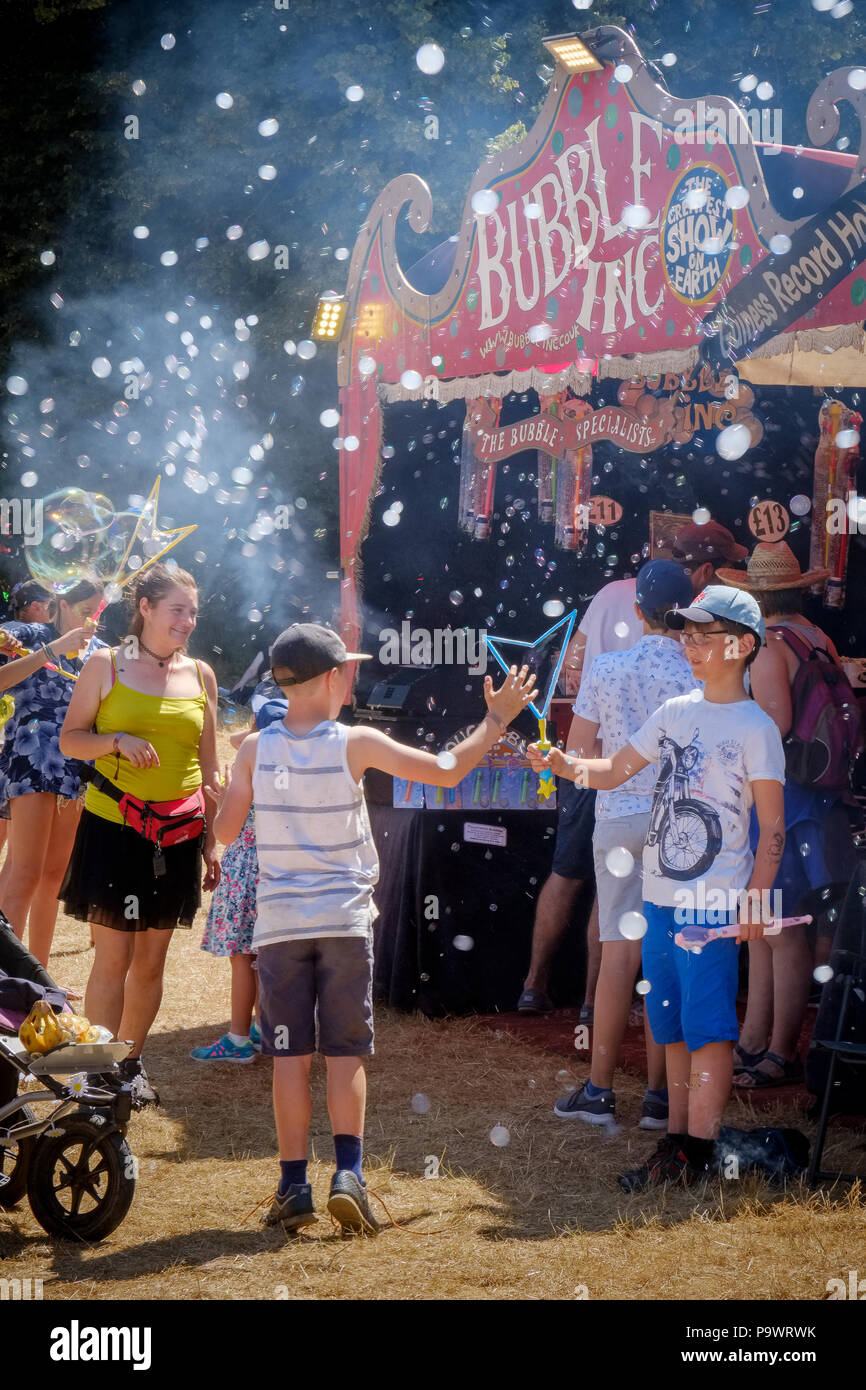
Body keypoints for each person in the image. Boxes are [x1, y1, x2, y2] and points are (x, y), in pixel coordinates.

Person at [212, 623, 537, 1236]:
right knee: (345, 1054)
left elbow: (226, 832)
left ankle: (292, 1185)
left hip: (280, 926)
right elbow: (445, 771)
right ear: (333, 679)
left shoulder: (255, 749)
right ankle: (349, 1176)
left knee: (289, 1057)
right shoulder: (354, 741)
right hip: (343, 923)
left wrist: (218, 797)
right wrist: (495, 721)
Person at [530, 586, 785, 1189]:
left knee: (708, 1030)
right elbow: (614, 769)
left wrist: (755, 898)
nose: (691, 647)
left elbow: (772, 825)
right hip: (659, 896)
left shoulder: (756, 727)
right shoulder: (674, 711)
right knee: (667, 1025)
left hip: (713, 903)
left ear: (744, 646)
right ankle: (675, 1145)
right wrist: (566, 765)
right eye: (687, 636)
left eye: (705, 637)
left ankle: (697, 1151)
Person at [517, 518, 748, 1017]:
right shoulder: (702, 666)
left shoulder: (609, 617)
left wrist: (560, 759)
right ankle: (644, 1042)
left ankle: (571, 1008)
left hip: (607, 786)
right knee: (667, 932)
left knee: (591, 894)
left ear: (640, 607)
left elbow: (577, 687)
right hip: (678, 812)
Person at [58, 563, 221, 1105]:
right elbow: (71, 741)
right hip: (113, 826)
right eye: (178, 609)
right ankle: (93, 1070)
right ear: (145, 608)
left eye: (193, 612)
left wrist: (212, 841)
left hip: (177, 836)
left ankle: (129, 1065)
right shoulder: (105, 665)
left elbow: (208, 767)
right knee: (112, 960)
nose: (188, 621)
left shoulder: (201, 675)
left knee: (152, 962)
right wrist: (116, 740)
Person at [553, 561, 697, 1131]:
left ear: (636, 610)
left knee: (619, 954)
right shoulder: (698, 673)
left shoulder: (608, 668)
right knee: (670, 951)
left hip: (617, 817)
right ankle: (660, 1097)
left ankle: (600, 1089)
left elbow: (577, 752)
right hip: (680, 825)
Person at [717, 542, 852, 1089]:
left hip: (782, 801)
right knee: (775, 926)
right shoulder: (817, 637)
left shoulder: (771, 646)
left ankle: (777, 1051)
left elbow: (771, 730)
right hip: (809, 800)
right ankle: (757, 1041)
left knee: (780, 928)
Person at [0, 577, 105, 965]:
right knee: (24, 873)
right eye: (84, 609)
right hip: (30, 758)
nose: (92, 619)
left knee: (52, 876)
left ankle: (39, 980)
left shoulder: (101, 652)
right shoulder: (22, 634)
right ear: (61, 602)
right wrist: (52, 649)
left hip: (76, 764)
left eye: (98, 611)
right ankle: (8, 983)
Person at [190, 699, 289, 1064]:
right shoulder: (296, 770)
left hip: (247, 873)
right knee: (263, 959)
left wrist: (223, 797)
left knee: (242, 957)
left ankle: (237, 1038)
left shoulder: (251, 768)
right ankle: (265, 1027)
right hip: (279, 874)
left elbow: (230, 828)